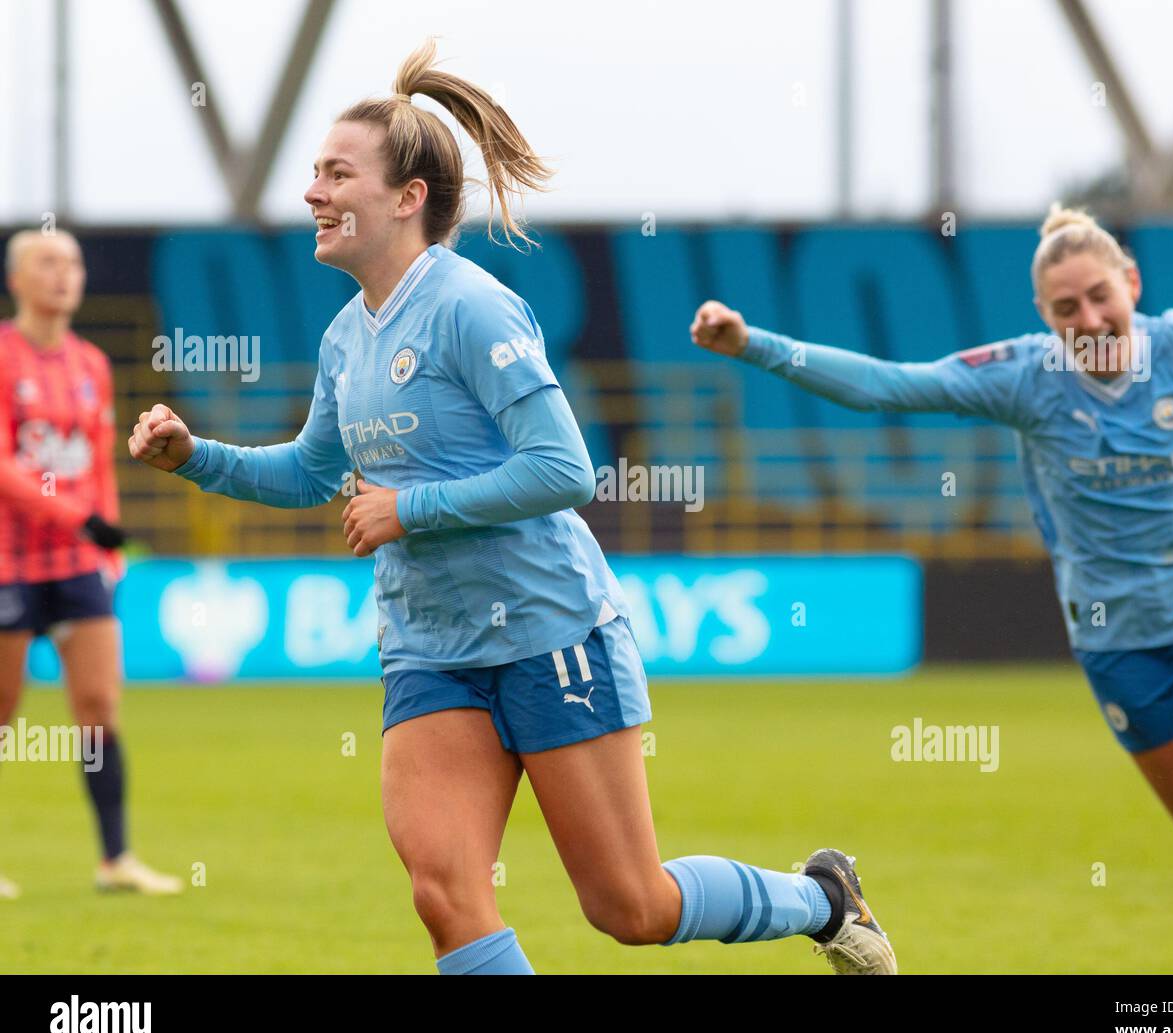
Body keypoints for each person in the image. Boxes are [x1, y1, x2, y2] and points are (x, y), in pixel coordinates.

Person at [128, 39, 896, 975]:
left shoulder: (470, 306)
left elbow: (566, 469)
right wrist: (193, 456)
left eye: (336, 173)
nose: (312, 193)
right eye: (314, 173)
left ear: (407, 197)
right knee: (445, 893)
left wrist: (411, 510)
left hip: (548, 630)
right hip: (430, 650)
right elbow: (307, 473)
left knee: (630, 904)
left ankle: (822, 898)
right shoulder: (345, 338)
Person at [691, 202, 1173, 975]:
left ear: (1132, 282)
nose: (1091, 318)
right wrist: (754, 344)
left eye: (1101, 295)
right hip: (1120, 637)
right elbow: (888, 386)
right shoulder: (1025, 376)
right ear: (1045, 318)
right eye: (1067, 308)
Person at [0, 228, 181, 898]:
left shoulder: (91, 364)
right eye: (47, 262)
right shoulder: (2, 357)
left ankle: (116, 859)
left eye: (72, 263)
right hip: (9, 561)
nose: (63, 274)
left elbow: (100, 463)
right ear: (17, 279)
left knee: (101, 705)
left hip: (77, 564)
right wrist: (77, 516)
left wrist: (107, 547)